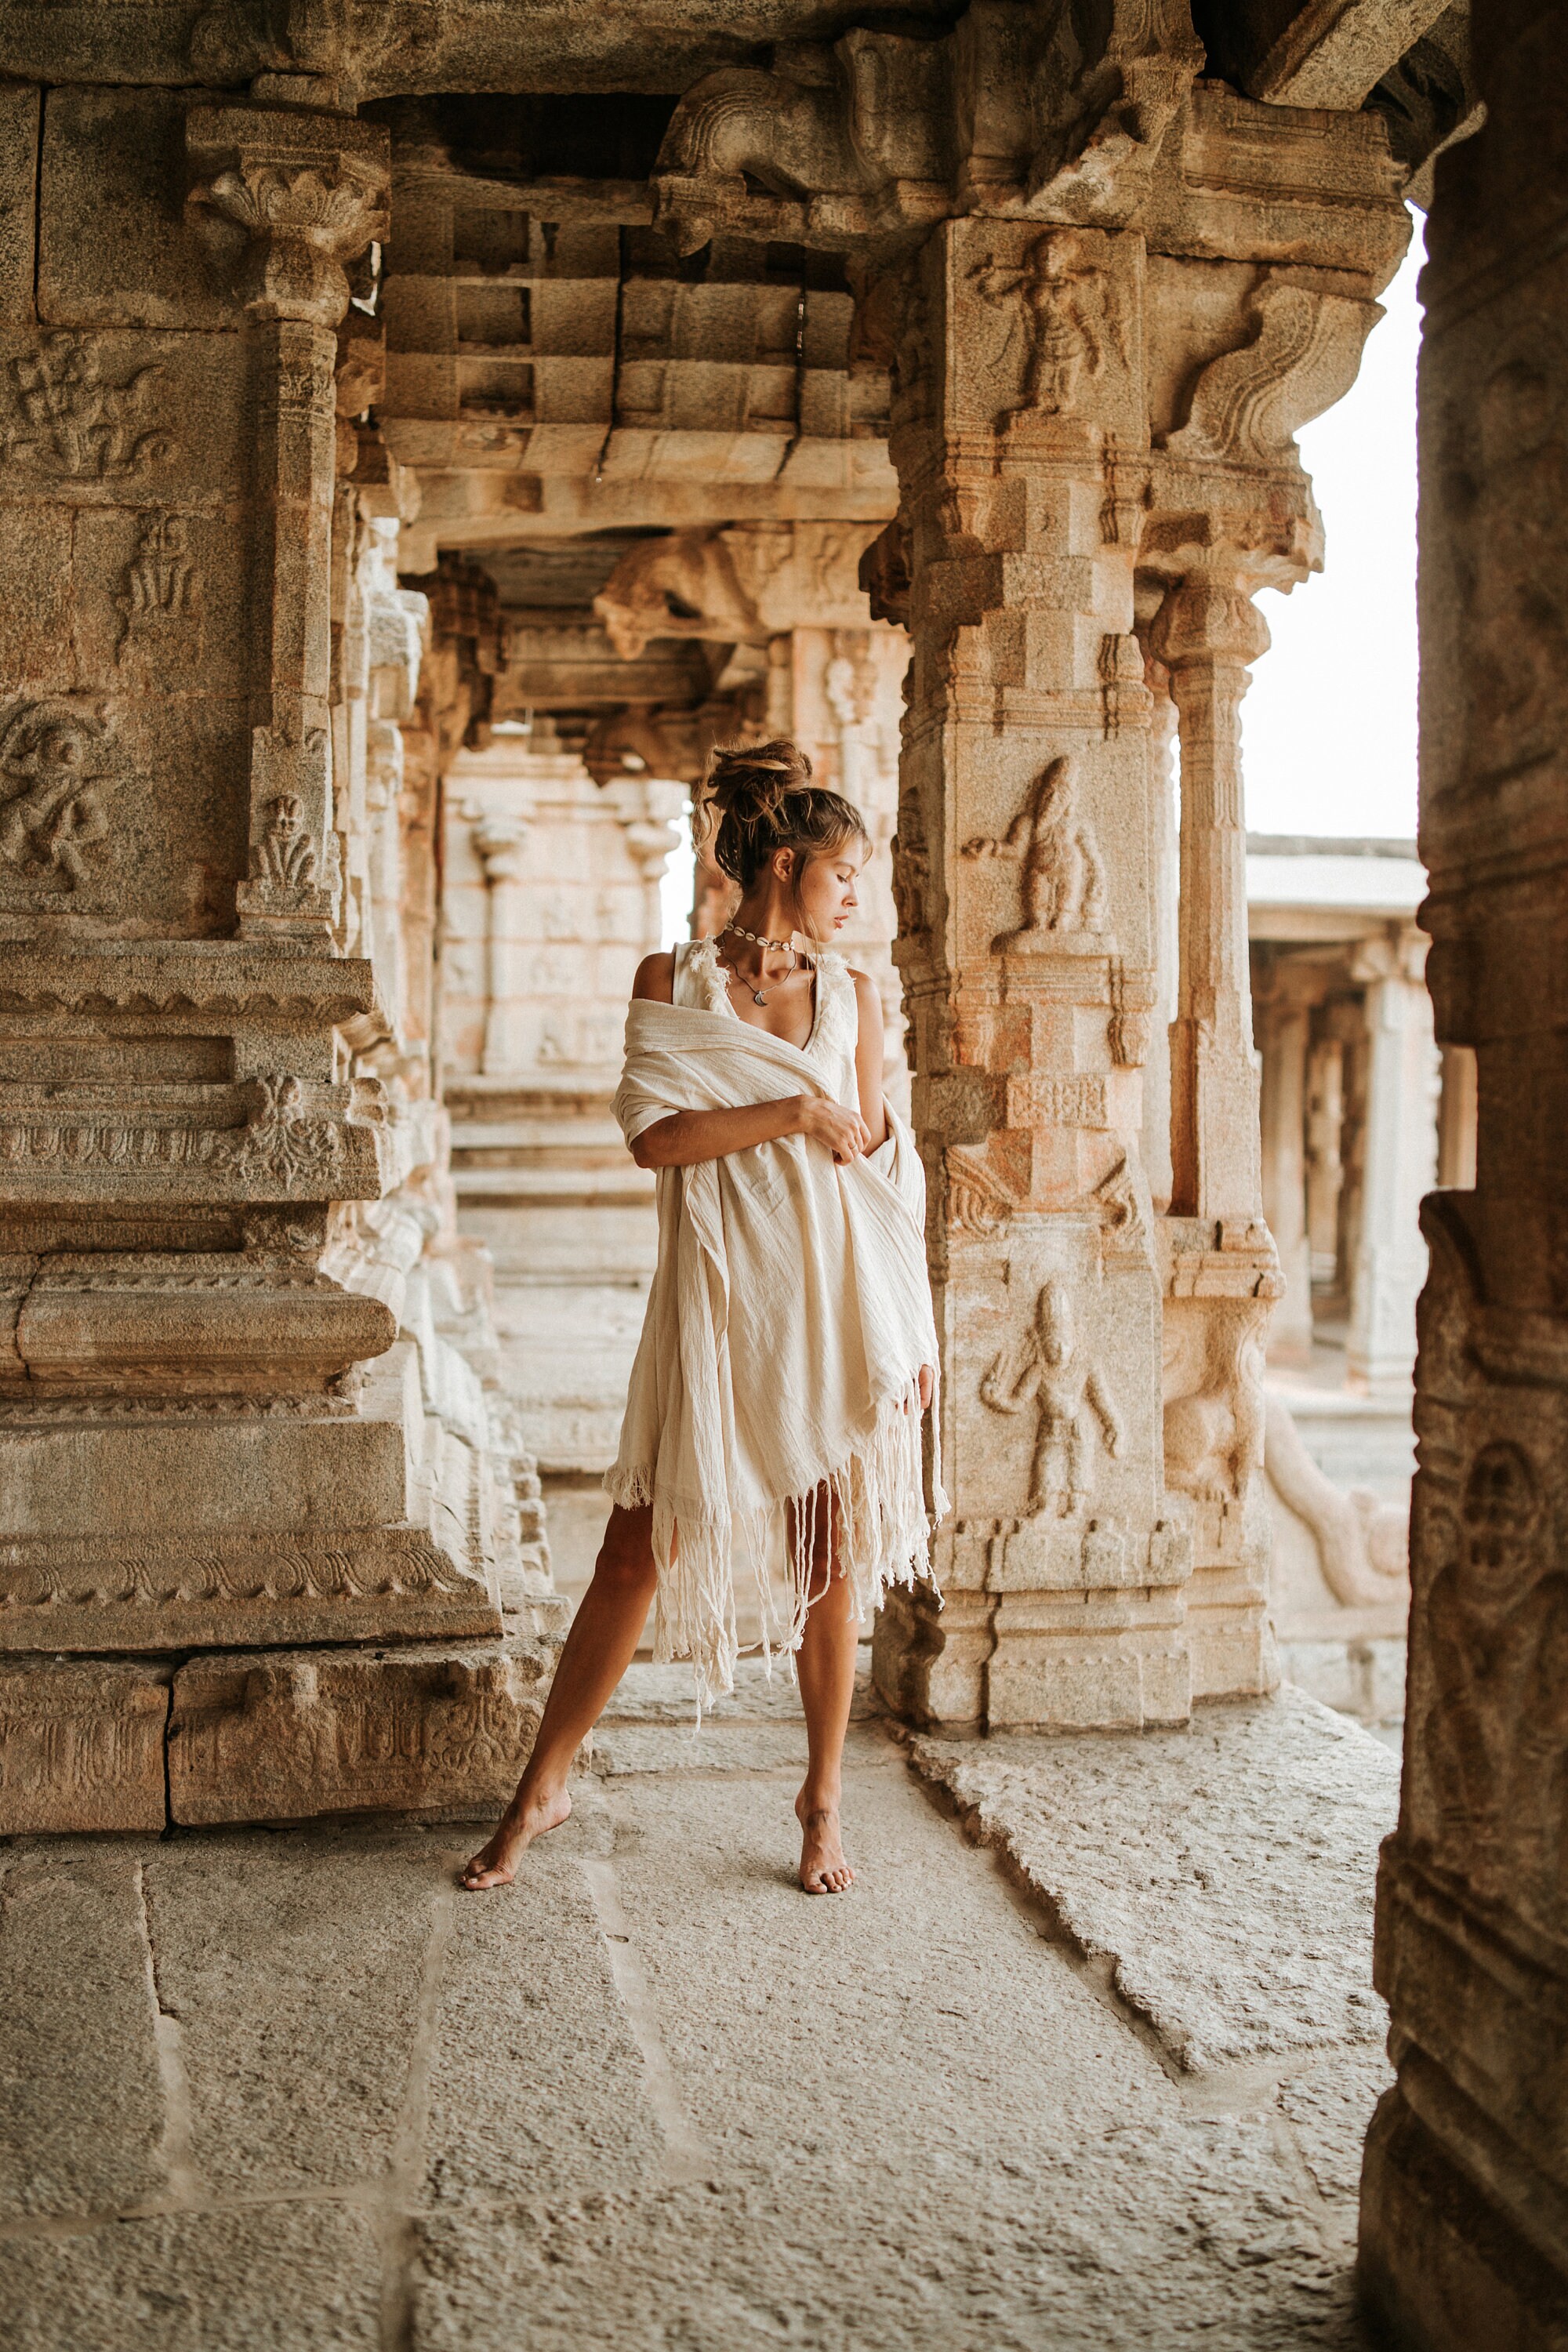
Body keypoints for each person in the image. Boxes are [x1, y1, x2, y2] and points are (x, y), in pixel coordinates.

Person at [462, 739, 944, 1897]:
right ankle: (542, 1785)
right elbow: (655, 1138)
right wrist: (791, 1111)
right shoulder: (669, 980)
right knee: (633, 1552)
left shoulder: (855, 995)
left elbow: (880, 1175)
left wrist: (906, 1334)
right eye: (842, 876)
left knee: (826, 1554)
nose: (854, 899)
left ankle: (821, 1801)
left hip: (827, 1298)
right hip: (716, 1297)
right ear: (784, 864)